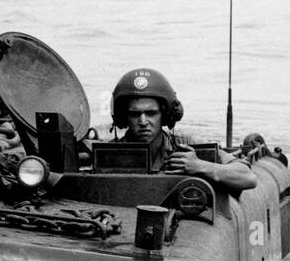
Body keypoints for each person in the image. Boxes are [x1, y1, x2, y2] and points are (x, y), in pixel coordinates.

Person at [110, 68, 257, 195]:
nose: (143, 122)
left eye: (151, 113)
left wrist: (199, 166)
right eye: (135, 114)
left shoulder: (186, 147)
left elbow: (248, 177)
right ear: (123, 118)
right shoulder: (109, 154)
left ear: (166, 115)